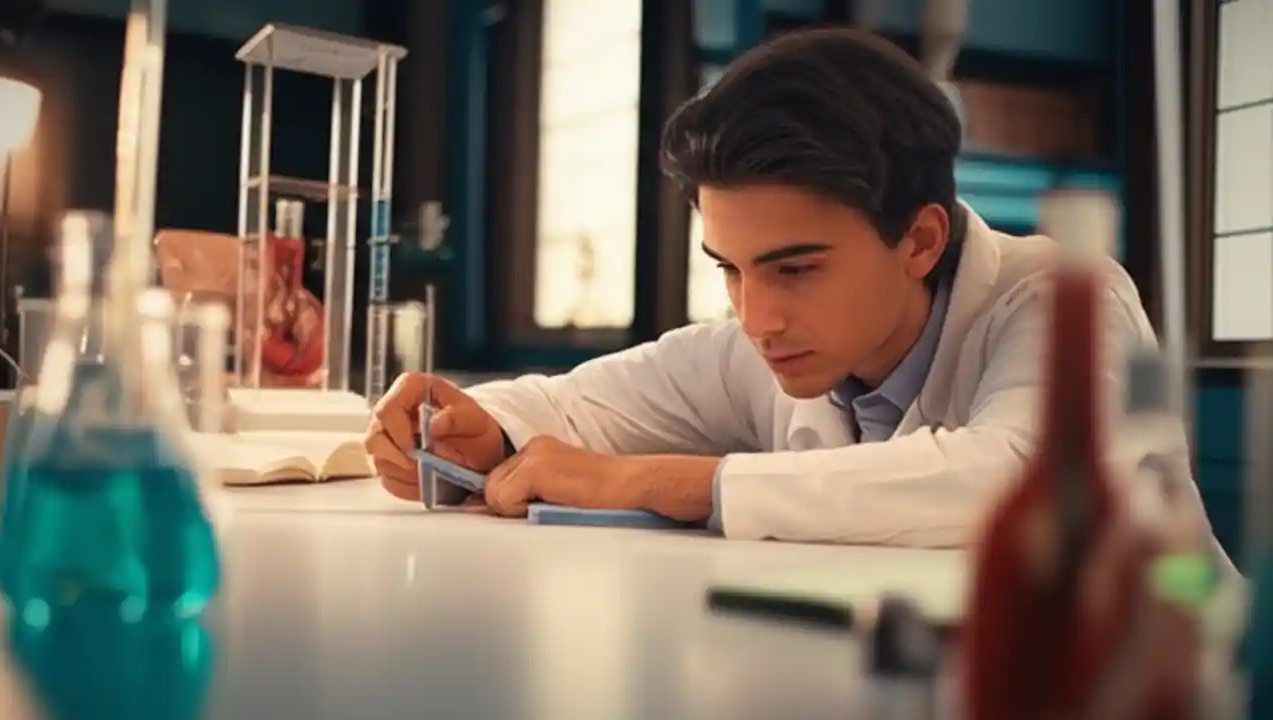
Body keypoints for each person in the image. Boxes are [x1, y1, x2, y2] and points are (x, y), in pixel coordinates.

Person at [363, 27, 1216, 549]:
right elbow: (576, 409)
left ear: (919, 238)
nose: (755, 318)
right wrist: (482, 429)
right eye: (729, 268)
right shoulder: (762, 344)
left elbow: (1020, 481)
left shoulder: (1070, 298)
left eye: (795, 268)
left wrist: (667, 482)